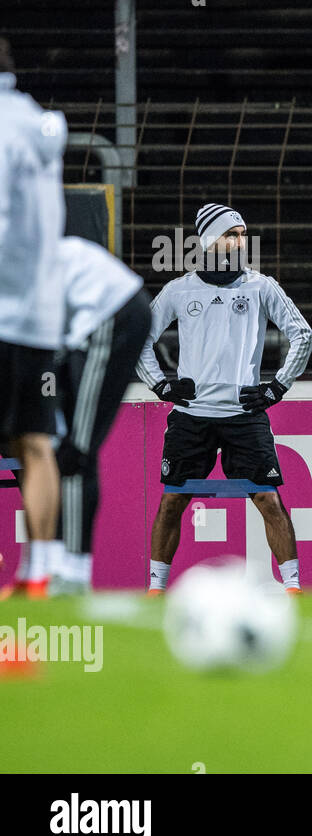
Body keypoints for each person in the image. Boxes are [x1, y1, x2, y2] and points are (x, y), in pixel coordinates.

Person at [136, 203, 312, 595]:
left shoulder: (261, 286)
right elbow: (138, 336)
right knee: (171, 502)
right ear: (206, 240)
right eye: (228, 234)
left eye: (241, 235)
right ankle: (156, 589)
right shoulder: (180, 290)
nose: (237, 241)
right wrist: (161, 385)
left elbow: (302, 333)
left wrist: (276, 387)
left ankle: (294, 588)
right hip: (190, 416)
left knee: (269, 500)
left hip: (243, 415)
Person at [0, 38, 67, 599]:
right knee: (36, 441)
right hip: (40, 314)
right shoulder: (37, 122)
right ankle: (39, 571)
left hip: (2, 309)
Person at [49, 237, 153, 594]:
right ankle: (63, 566)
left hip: (110, 314)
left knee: (75, 450)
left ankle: (71, 573)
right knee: (68, 447)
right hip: (91, 323)